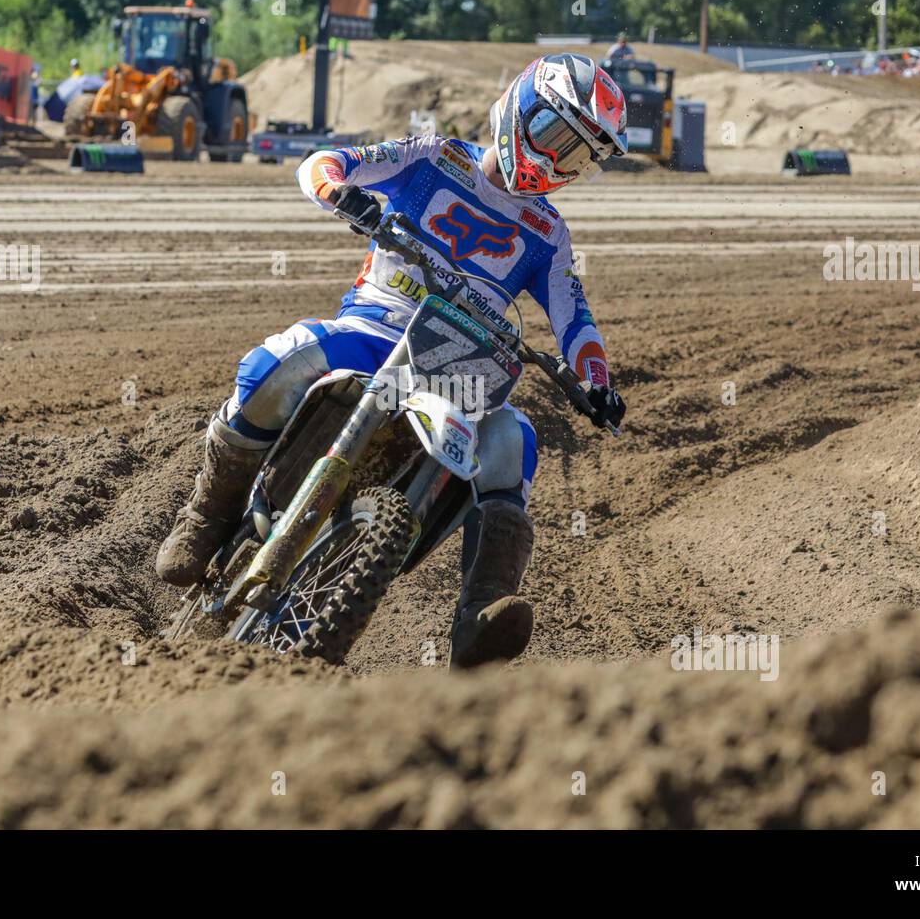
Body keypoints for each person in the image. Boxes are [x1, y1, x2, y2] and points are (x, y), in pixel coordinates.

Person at [155, 54, 629, 668]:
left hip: (463, 364)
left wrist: (595, 382)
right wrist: (341, 194)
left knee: (514, 438)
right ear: (520, 110)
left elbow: (575, 317)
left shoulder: (548, 232)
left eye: (580, 156)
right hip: (375, 327)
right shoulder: (433, 157)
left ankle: (481, 616)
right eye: (556, 139)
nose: (560, 162)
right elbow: (325, 163)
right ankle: (205, 517)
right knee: (279, 360)